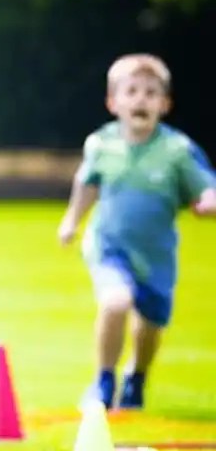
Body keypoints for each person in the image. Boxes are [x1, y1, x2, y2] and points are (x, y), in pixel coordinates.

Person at [58, 53, 216, 410]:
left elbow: (205, 186)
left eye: (150, 92)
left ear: (165, 103)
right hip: (108, 246)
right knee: (115, 302)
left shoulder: (177, 151)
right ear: (114, 102)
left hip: (156, 257)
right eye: (131, 91)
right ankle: (103, 381)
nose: (141, 99)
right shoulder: (101, 144)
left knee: (150, 327)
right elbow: (87, 185)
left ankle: (137, 378)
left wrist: (209, 202)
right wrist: (72, 220)